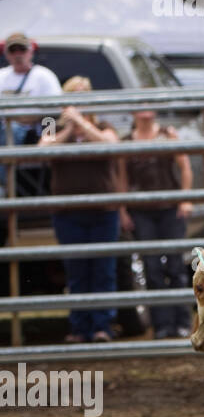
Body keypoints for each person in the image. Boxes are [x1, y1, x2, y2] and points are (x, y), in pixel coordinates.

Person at [39, 77, 122, 343]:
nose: (79, 99)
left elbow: (111, 145)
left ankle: (102, 327)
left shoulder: (102, 124)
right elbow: (43, 150)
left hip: (103, 210)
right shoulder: (52, 123)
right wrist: (69, 127)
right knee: (76, 271)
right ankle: (79, 327)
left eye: (84, 94)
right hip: (67, 211)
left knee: (103, 270)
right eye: (73, 94)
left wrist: (83, 124)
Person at [121, 109, 194, 339]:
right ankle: (161, 325)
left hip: (170, 208)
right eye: (140, 108)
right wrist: (122, 209)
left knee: (175, 266)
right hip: (141, 210)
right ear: (133, 113)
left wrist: (185, 198)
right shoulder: (126, 141)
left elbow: (185, 167)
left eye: (149, 107)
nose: (145, 113)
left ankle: (182, 322)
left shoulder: (167, 135)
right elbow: (122, 177)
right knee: (152, 268)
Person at [1, 32, 63, 190]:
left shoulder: (44, 76)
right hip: (5, 130)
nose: (17, 54)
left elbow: (54, 113)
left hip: (33, 133)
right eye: (13, 50)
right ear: (6, 54)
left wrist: (49, 137)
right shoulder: (2, 76)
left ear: (30, 51)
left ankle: (2, 185)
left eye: (21, 49)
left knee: (12, 129)